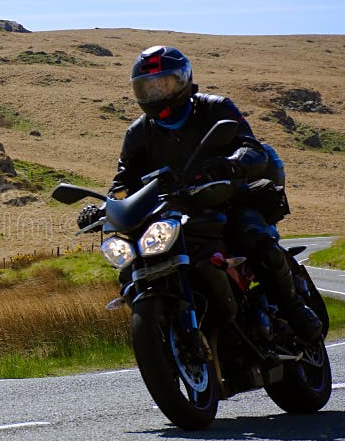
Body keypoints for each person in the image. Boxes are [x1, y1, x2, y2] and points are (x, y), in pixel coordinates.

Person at [79, 45, 322, 342]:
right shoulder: (138, 132)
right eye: (148, 87)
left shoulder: (214, 108)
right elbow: (123, 182)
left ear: (183, 81)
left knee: (253, 236)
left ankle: (294, 308)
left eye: (164, 84)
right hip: (171, 213)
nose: (156, 93)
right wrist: (106, 207)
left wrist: (232, 164)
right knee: (132, 266)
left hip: (225, 197)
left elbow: (251, 147)